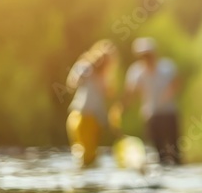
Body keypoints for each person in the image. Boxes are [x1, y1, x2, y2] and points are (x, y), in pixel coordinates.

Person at [124, 37, 182, 165]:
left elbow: (176, 84)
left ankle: (178, 173)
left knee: (175, 149)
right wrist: (123, 107)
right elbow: (130, 91)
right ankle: (162, 173)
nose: (146, 58)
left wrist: (166, 96)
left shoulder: (167, 67)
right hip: (151, 115)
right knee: (158, 151)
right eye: (143, 56)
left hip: (169, 113)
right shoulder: (136, 71)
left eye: (148, 55)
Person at [66, 40, 119, 167]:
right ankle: (85, 175)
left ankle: (87, 175)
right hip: (81, 115)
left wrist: (102, 76)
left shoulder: (103, 74)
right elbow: (72, 83)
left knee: (88, 153)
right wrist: (88, 72)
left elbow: (110, 93)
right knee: (85, 153)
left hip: (91, 117)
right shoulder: (85, 67)